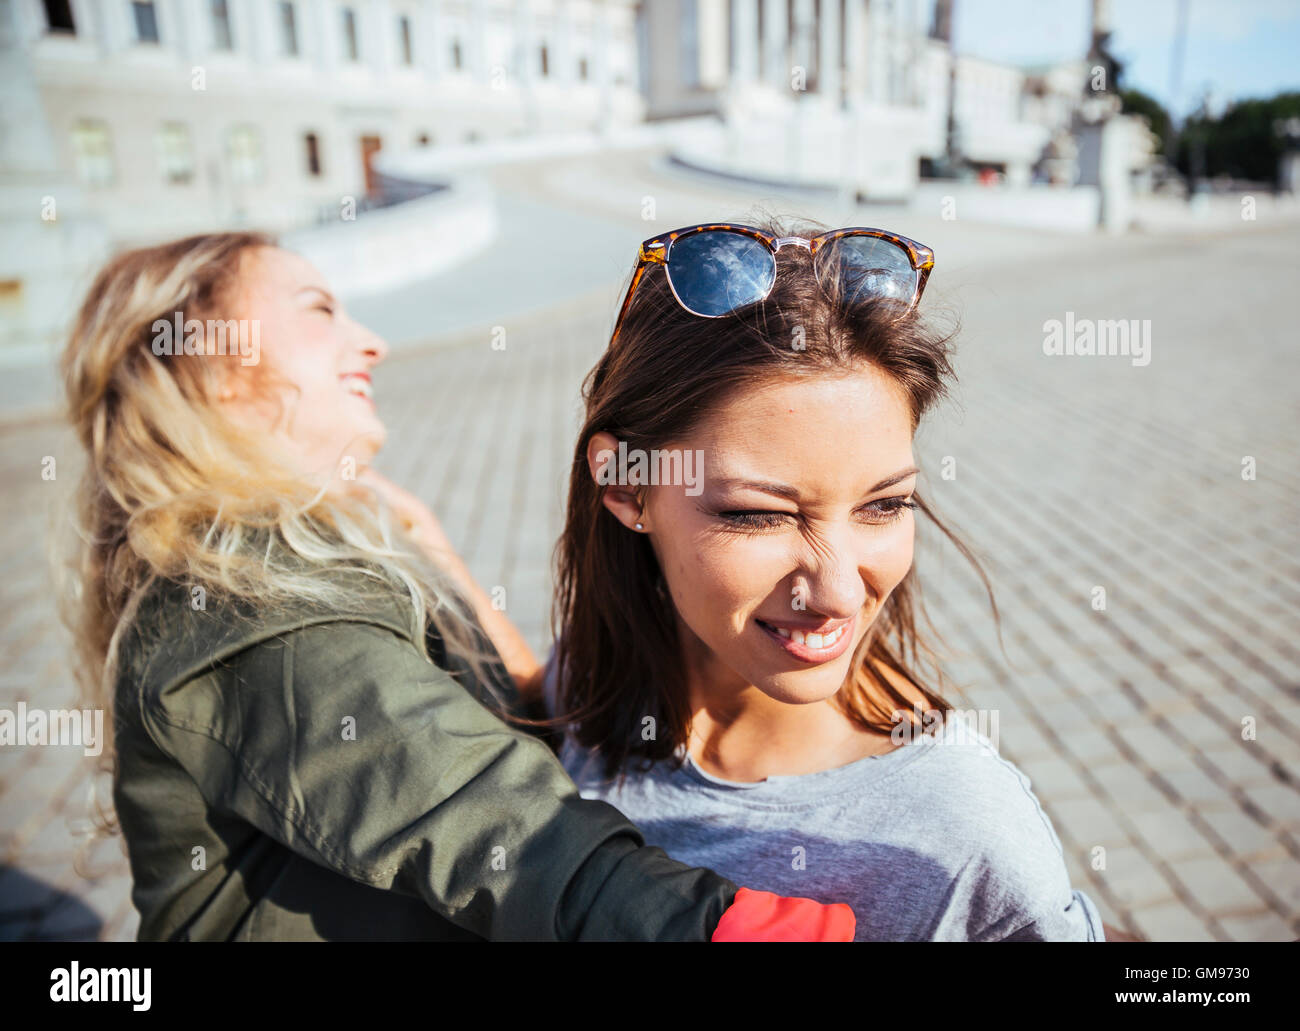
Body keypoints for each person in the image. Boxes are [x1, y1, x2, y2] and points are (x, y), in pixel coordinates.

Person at [58, 231, 854, 941]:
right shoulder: (239, 595)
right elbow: (477, 809)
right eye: (319, 311)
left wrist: (434, 553)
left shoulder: (311, 546)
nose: (371, 343)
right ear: (211, 366)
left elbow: (522, 719)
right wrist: (723, 926)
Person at [544, 214, 1132, 942]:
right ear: (629, 488)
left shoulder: (957, 834)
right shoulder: (590, 677)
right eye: (758, 514)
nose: (841, 595)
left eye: (885, 504)